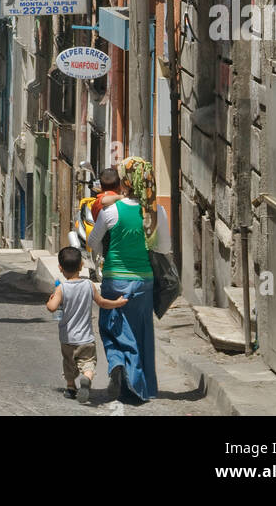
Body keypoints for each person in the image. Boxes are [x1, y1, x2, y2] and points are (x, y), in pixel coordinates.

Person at [88, 164, 158, 401]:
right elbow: (163, 247)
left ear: (123, 184)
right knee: (140, 332)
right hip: (144, 281)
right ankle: (139, 385)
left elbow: (93, 239)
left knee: (112, 326)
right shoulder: (154, 213)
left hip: (115, 278)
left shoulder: (111, 211)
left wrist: (99, 258)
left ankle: (118, 363)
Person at [46, 247, 127, 403]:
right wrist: (117, 303)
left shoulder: (61, 288)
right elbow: (102, 303)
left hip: (67, 339)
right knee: (88, 363)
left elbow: (52, 308)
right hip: (86, 339)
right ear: (82, 265)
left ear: (60, 268)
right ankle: (87, 378)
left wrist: (50, 300)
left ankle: (70, 388)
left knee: (69, 364)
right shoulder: (89, 285)